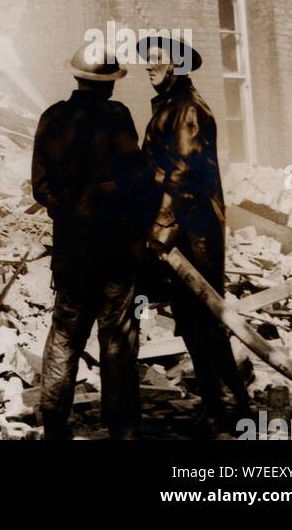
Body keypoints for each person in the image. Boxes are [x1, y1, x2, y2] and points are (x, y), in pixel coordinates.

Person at [138, 33, 252, 437]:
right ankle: (223, 409)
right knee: (194, 321)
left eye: (156, 59)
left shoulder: (186, 109)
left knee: (204, 321)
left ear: (177, 65)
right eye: (146, 59)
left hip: (194, 234)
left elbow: (185, 174)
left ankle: (232, 414)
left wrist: (160, 227)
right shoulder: (172, 105)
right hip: (183, 231)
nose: (148, 65)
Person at [31, 46, 147, 441]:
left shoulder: (52, 118)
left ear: (77, 77)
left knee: (64, 335)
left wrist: (66, 212)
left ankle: (53, 424)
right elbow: (137, 182)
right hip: (116, 252)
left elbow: (40, 188)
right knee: (116, 339)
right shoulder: (117, 118)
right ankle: (122, 428)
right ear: (109, 85)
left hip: (72, 253)